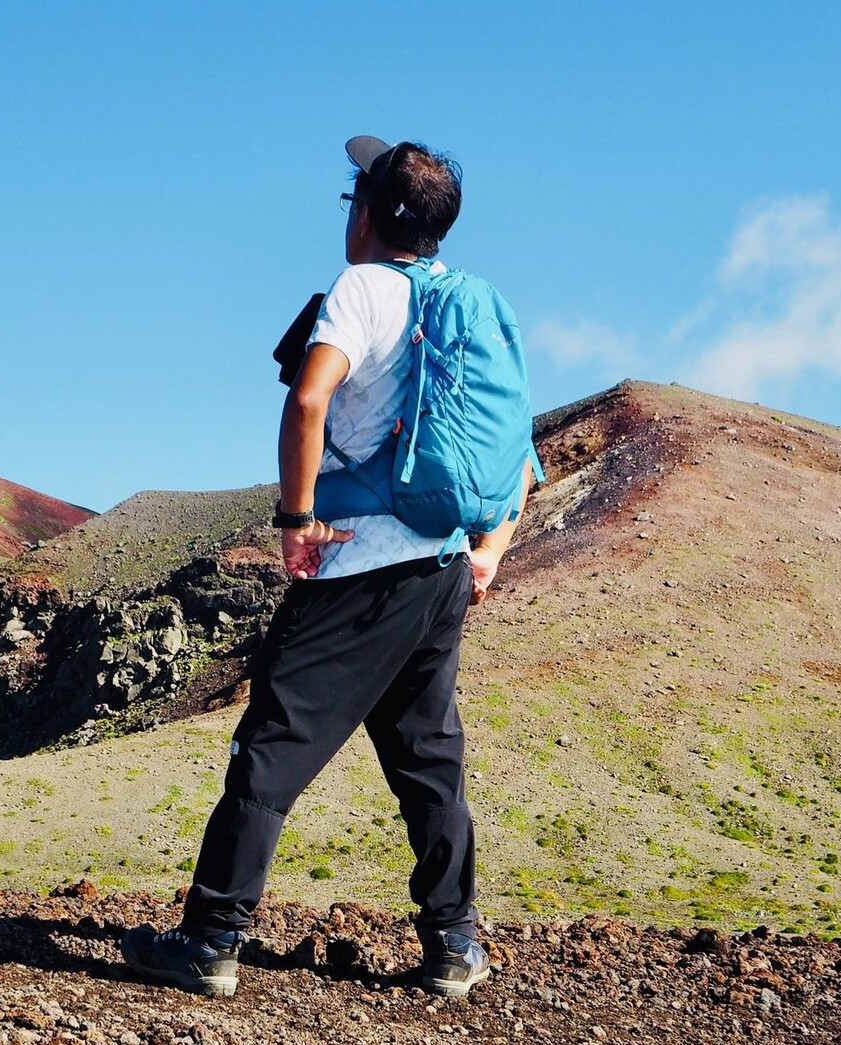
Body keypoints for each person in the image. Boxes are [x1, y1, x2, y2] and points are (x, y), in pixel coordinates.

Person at [121, 135, 536, 998]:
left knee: (271, 746)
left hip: (359, 566)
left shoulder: (363, 289)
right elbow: (518, 458)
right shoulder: (472, 308)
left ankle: (211, 939)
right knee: (428, 759)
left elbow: (309, 399)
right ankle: (454, 944)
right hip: (441, 571)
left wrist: (296, 519)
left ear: (371, 215)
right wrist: (487, 553)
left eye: (353, 200)